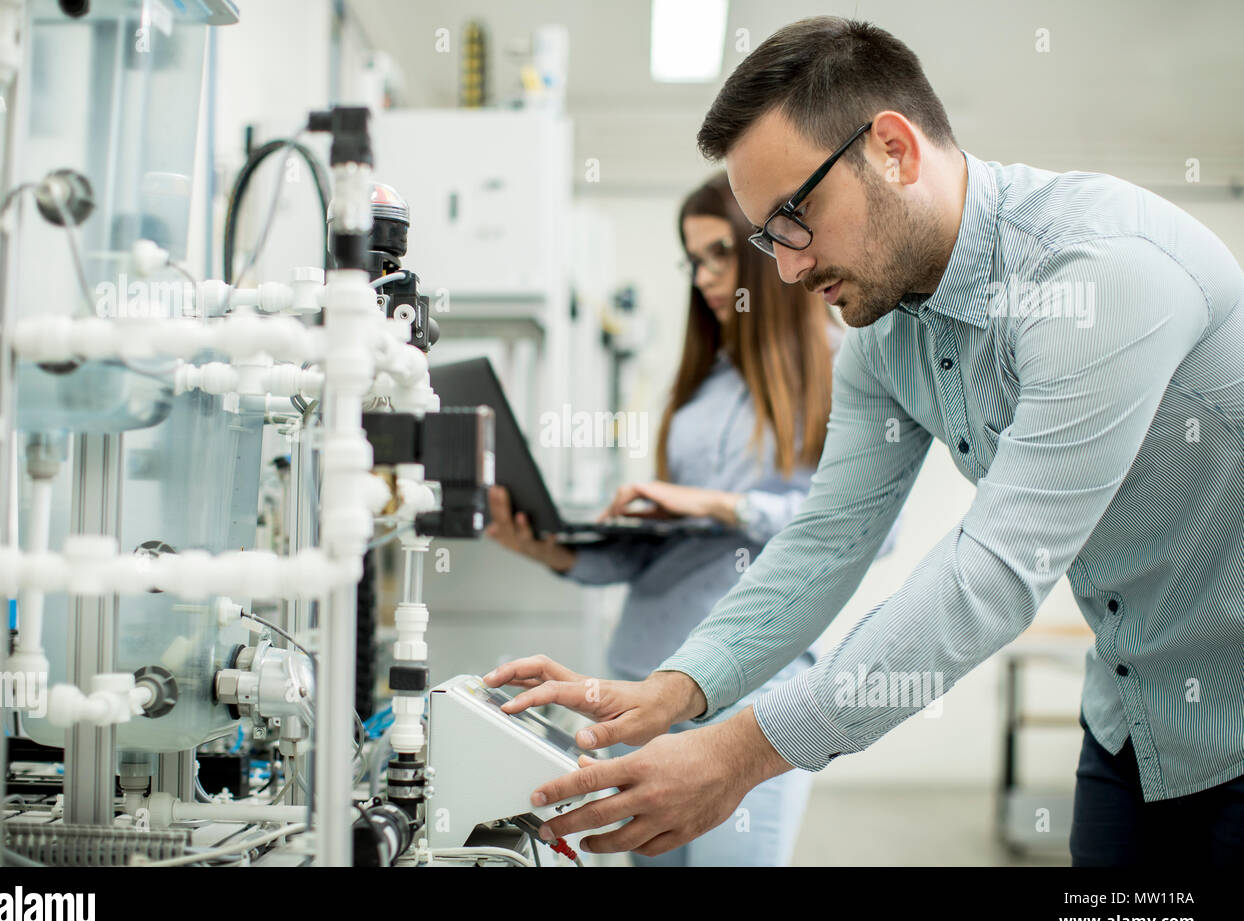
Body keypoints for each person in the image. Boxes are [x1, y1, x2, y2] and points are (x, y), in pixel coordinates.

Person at [485, 16, 1244, 866]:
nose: (787, 270)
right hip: (1134, 722)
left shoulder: (1098, 271)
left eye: (793, 217)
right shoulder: (885, 335)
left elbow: (992, 572)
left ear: (893, 148)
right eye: (768, 238)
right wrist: (673, 691)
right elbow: (825, 538)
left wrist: (739, 754)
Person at [485, 171, 866, 865]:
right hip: (645, 682)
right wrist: (545, 546)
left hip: (753, 690)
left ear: (765, 244)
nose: (705, 277)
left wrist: (721, 504)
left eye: (719, 253)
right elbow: (670, 550)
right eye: (693, 261)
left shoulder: (849, 367)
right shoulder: (706, 384)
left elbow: (861, 529)